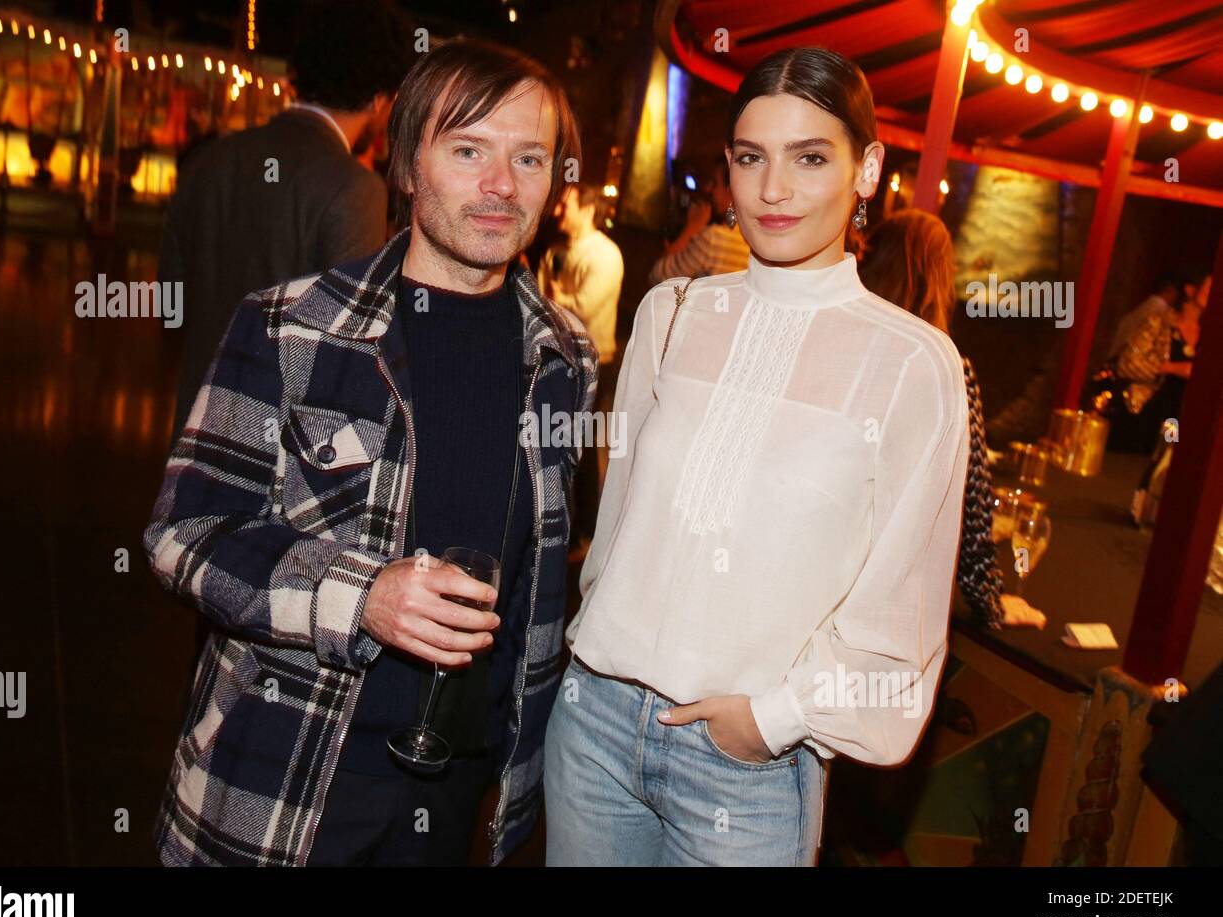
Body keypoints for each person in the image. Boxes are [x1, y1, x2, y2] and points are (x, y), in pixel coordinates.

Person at [144, 38, 595, 867]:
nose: (502, 186)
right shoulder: (290, 326)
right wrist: (360, 597)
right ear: (407, 165)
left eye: (530, 158)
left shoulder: (565, 360)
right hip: (284, 781)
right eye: (469, 151)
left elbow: (546, 580)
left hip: (456, 800)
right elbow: (184, 534)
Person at [544, 46, 969, 866]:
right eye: (750, 158)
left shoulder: (913, 363)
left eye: (809, 158)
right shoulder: (670, 312)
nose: (772, 190)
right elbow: (619, 511)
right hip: (594, 722)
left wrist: (769, 722)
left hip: (748, 768)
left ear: (869, 169)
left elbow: (902, 613)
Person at [160, 0, 412, 438]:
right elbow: (349, 351)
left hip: (193, 438)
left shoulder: (210, 160)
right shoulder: (354, 189)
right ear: (379, 98)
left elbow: (170, 307)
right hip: (274, 460)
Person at [858, 209, 1045, 630]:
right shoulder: (947, 368)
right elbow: (972, 505)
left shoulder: (840, 341)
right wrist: (991, 605)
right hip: (888, 589)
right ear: (939, 279)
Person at [537, 182, 624, 551]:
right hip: (557, 354)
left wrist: (553, 296)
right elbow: (541, 301)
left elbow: (582, 307)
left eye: (567, 205)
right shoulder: (556, 251)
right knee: (550, 438)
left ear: (588, 210)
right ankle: (555, 523)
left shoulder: (606, 254)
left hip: (596, 360)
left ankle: (586, 534)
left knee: (585, 447)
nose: (559, 212)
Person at [1106, 271, 1210, 454]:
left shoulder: (1209, 334)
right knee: (1131, 462)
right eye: (1209, 288)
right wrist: (1171, 368)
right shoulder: (1159, 322)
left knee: (1165, 457)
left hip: (1178, 413)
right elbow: (1127, 363)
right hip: (1149, 406)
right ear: (1190, 290)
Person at [647, 156, 751, 284]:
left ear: (731, 192)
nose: (709, 189)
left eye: (714, 184)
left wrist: (691, 228)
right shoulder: (751, 240)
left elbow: (659, 276)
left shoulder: (713, 239)